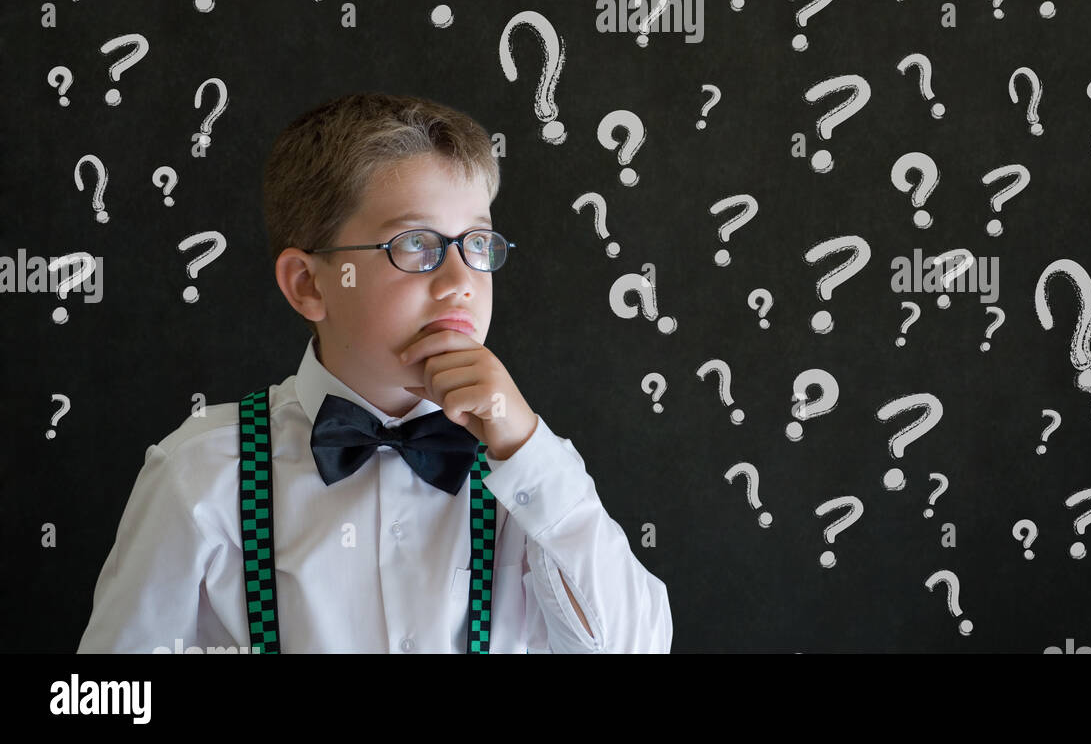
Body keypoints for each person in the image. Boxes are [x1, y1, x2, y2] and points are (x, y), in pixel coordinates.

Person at [78, 92, 672, 653]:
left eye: (478, 243)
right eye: (415, 244)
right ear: (309, 285)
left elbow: (635, 646)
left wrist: (526, 450)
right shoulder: (202, 473)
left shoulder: (532, 475)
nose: (461, 281)